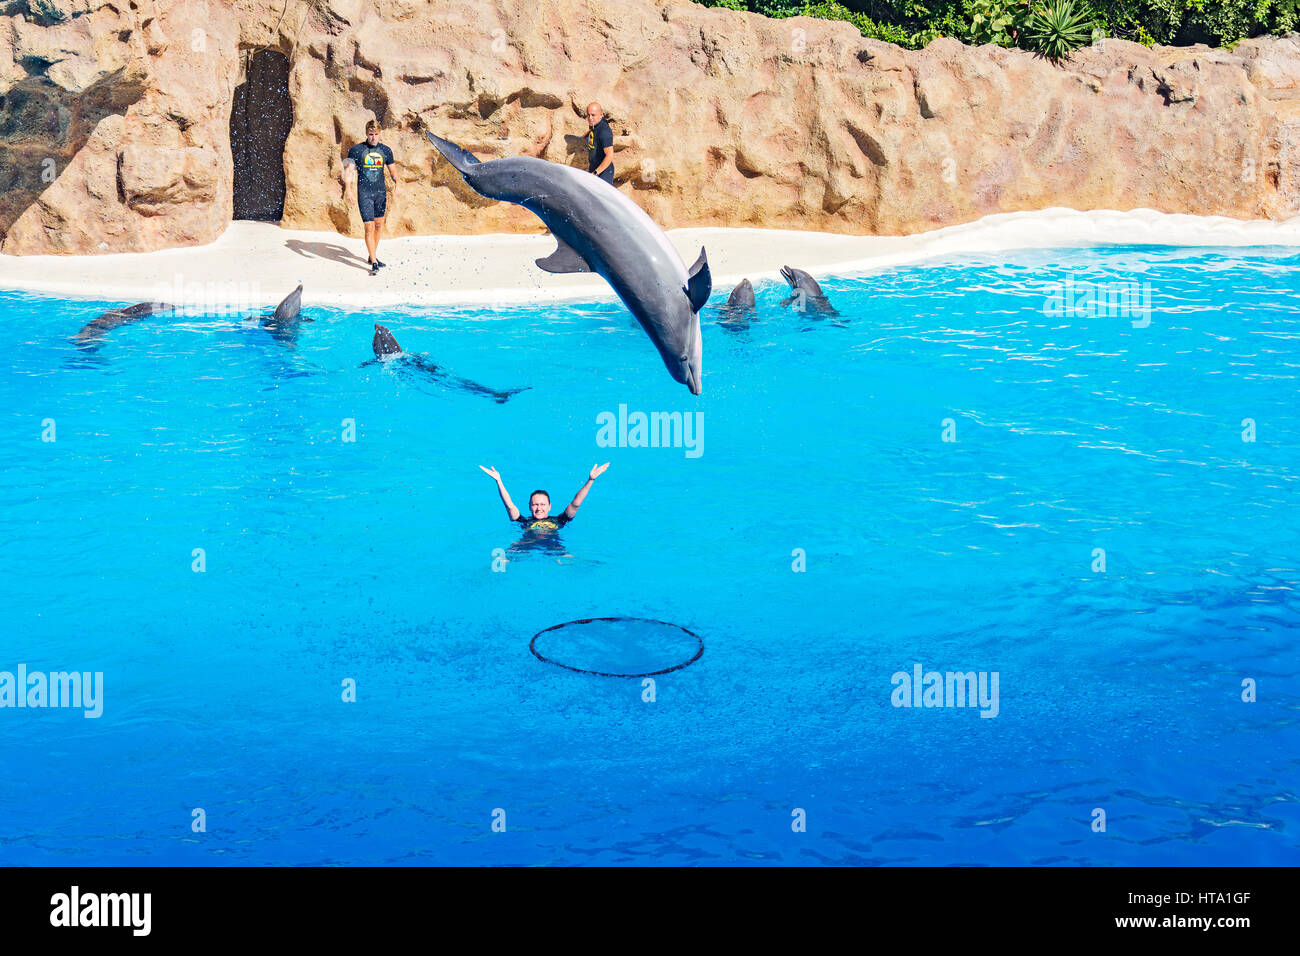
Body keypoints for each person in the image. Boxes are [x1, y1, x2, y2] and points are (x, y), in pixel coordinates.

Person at [480, 463, 610, 544]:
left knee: (565, 559)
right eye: (535, 504)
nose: (539, 508)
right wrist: (499, 481)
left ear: (549, 506)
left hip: (553, 545)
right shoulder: (524, 521)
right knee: (509, 555)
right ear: (530, 506)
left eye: (542, 505)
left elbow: (575, 504)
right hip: (527, 544)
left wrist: (590, 480)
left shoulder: (559, 520)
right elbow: (509, 506)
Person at [343, 120, 398, 276]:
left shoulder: (386, 150)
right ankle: (374, 261)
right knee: (369, 226)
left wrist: (397, 184)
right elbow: (349, 171)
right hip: (364, 193)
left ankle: (371, 254)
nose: (373, 137)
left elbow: (393, 170)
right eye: (370, 134)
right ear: (366, 134)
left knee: (379, 224)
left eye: (376, 134)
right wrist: (348, 190)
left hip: (380, 192)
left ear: (379, 134)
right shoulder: (356, 150)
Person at [585, 102, 614, 185]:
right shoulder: (595, 124)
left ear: (601, 115)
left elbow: (610, 156)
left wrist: (595, 173)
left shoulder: (604, 131)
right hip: (594, 168)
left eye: (593, 115)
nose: (590, 118)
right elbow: (593, 132)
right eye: (588, 115)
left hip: (603, 173)